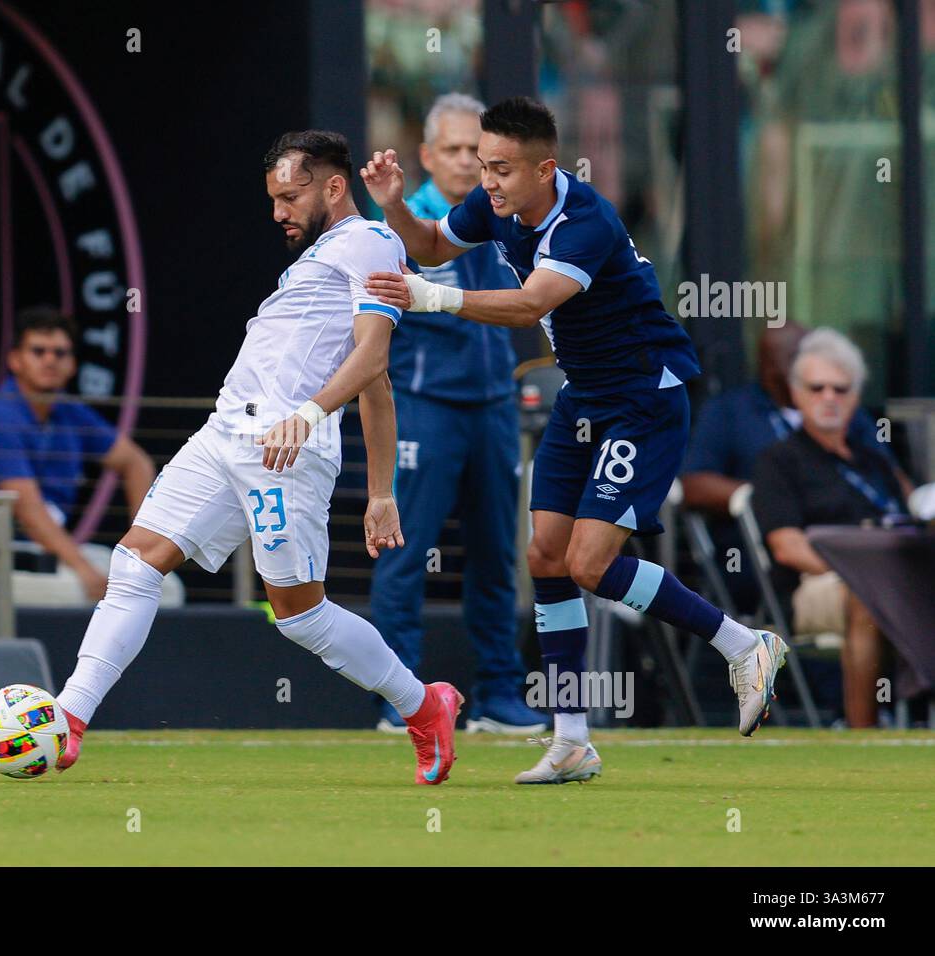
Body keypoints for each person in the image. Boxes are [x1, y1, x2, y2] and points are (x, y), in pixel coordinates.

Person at [362, 96, 785, 784]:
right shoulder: (494, 205)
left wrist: (429, 297)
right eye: (480, 164)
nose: (485, 179)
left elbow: (530, 303)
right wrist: (395, 208)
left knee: (589, 563)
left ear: (545, 170)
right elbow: (432, 246)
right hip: (584, 396)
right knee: (546, 554)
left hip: (644, 396)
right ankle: (571, 740)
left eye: (499, 167)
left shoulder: (583, 220)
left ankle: (744, 644)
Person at [55, 130, 463, 785]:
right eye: (273, 198)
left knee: (299, 615)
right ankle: (67, 720)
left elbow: (374, 359)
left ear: (333, 186)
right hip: (226, 433)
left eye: (290, 195)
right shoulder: (318, 259)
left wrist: (316, 425)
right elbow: (376, 386)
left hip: (286, 451)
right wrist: (381, 489)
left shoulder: (370, 241)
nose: (279, 211)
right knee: (135, 561)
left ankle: (424, 706)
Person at [369, 93, 546, 735]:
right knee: (403, 554)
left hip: (494, 405)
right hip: (424, 408)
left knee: (499, 555)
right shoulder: (402, 224)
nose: (469, 165)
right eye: (453, 150)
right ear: (425, 156)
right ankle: (401, 700)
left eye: (479, 153)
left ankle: (499, 695)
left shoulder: (508, 217)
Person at [752, 329, 912, 728]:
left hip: (893, 578)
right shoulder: (778, 461)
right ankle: (864, 731)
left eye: (841, 389)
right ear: (796, 393)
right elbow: (787, 547)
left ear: (855, 397)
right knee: (866, 593)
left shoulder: (874, 461)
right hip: (816, 585)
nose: (829, 397)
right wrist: (860, 570)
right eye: (817, 387)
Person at [680, 321, 900, 611]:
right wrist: (774, 496)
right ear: (772, 370)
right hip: (772, 558)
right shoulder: (730, 412)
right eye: (804, 359)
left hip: (870, 550)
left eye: (840, 388)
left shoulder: (845, 412)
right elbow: (692, 484)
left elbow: (892, 477)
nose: (829, 394)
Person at [0, 306, 156, 602]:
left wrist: (142, 546)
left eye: (60, 353)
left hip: (46, 551)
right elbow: (29, 512)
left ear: (72, 365)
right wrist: (83, 569)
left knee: (152, 583)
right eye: (38, 351)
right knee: (85, 589)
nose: (50, 360)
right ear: (15, 360)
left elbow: (137, 463)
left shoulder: (70, 411)